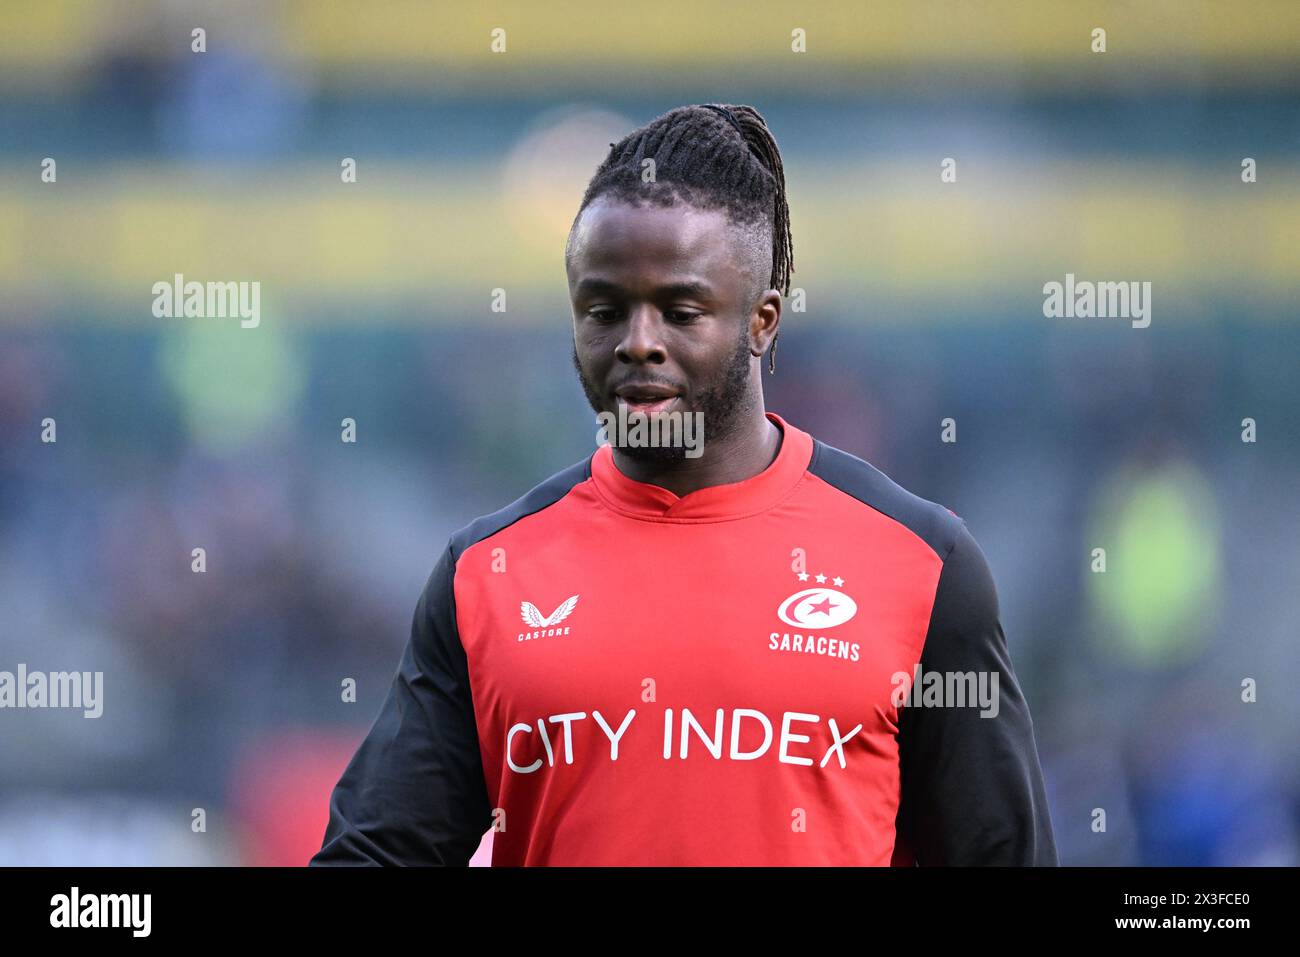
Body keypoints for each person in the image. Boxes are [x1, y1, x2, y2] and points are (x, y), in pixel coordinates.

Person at [311, 103, 1057, 866]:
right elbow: (377, 853)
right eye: (604, 309)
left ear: (763, 321)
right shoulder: (486, 575)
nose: (639, 342)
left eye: (680, 310)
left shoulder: (925, 565)